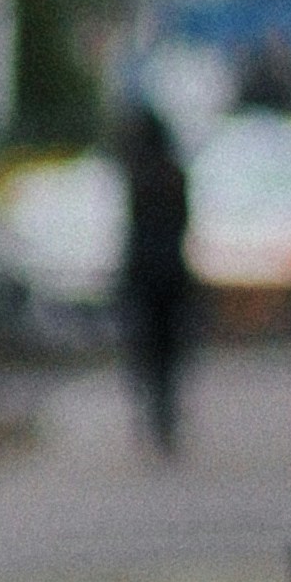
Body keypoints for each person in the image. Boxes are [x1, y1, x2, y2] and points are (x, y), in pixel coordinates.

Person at [119, 96, 195, 455]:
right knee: (169, 350)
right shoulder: (175, 174)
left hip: (144, 274)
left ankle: (155, 415)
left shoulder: (137, 175)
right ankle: (165, 416)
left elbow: (131, 229)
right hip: (171, 273)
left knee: (147, 348)